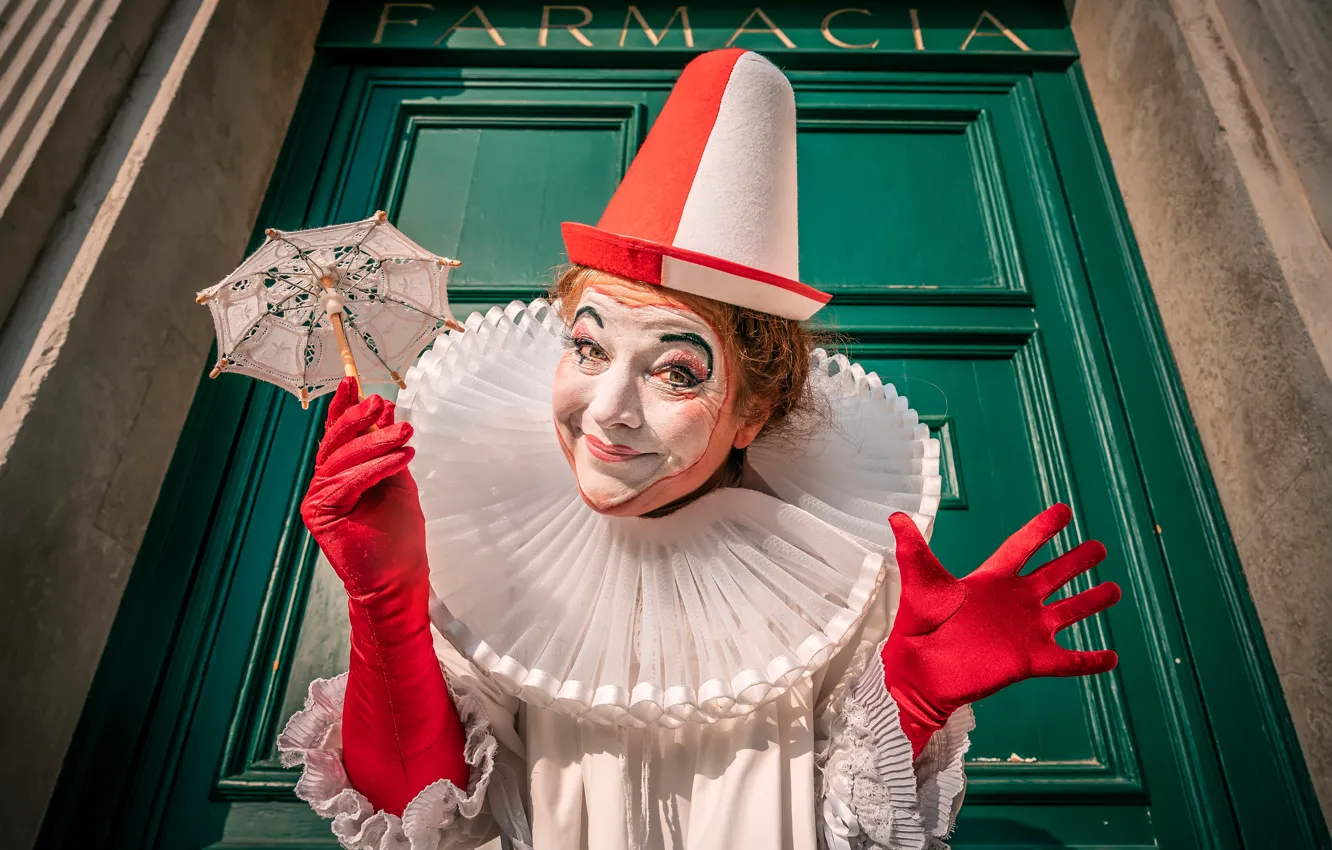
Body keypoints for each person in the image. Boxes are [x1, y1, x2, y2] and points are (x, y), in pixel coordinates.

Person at [278, 48, 1121, 850]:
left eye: (676, 371)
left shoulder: (832, 583)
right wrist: (385, 606)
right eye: (589, 346)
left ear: (751, 412)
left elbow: (856, 837)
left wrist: (910, 700)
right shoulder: (487, 552)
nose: (608, 413)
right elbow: (425, 820)